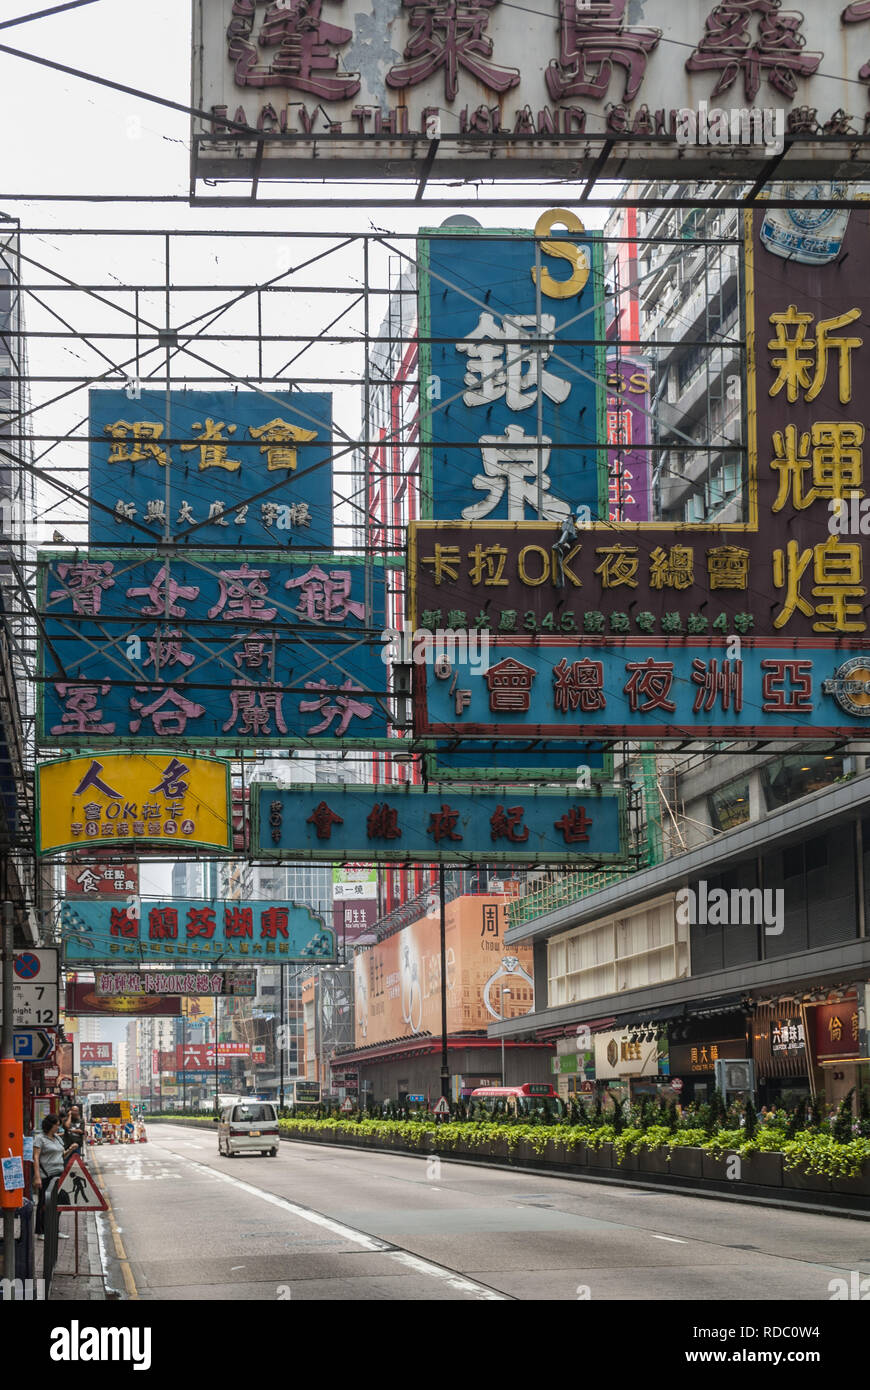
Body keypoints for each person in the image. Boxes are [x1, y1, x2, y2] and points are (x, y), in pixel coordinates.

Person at [33, 1113, 69, 1239]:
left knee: (59, 1202)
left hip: (60, 1173)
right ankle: (41, 1231)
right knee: (44, 1203)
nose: (58, 1128)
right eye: (56, 1125)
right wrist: (37, 1177)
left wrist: (70, 1150)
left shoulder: (58, 1138)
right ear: (50, 1125)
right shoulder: (40, 1138)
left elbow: (61, 1155)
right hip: (46, 1175)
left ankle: (54, 1229)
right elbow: (36, 1157)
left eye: (59, 1125)